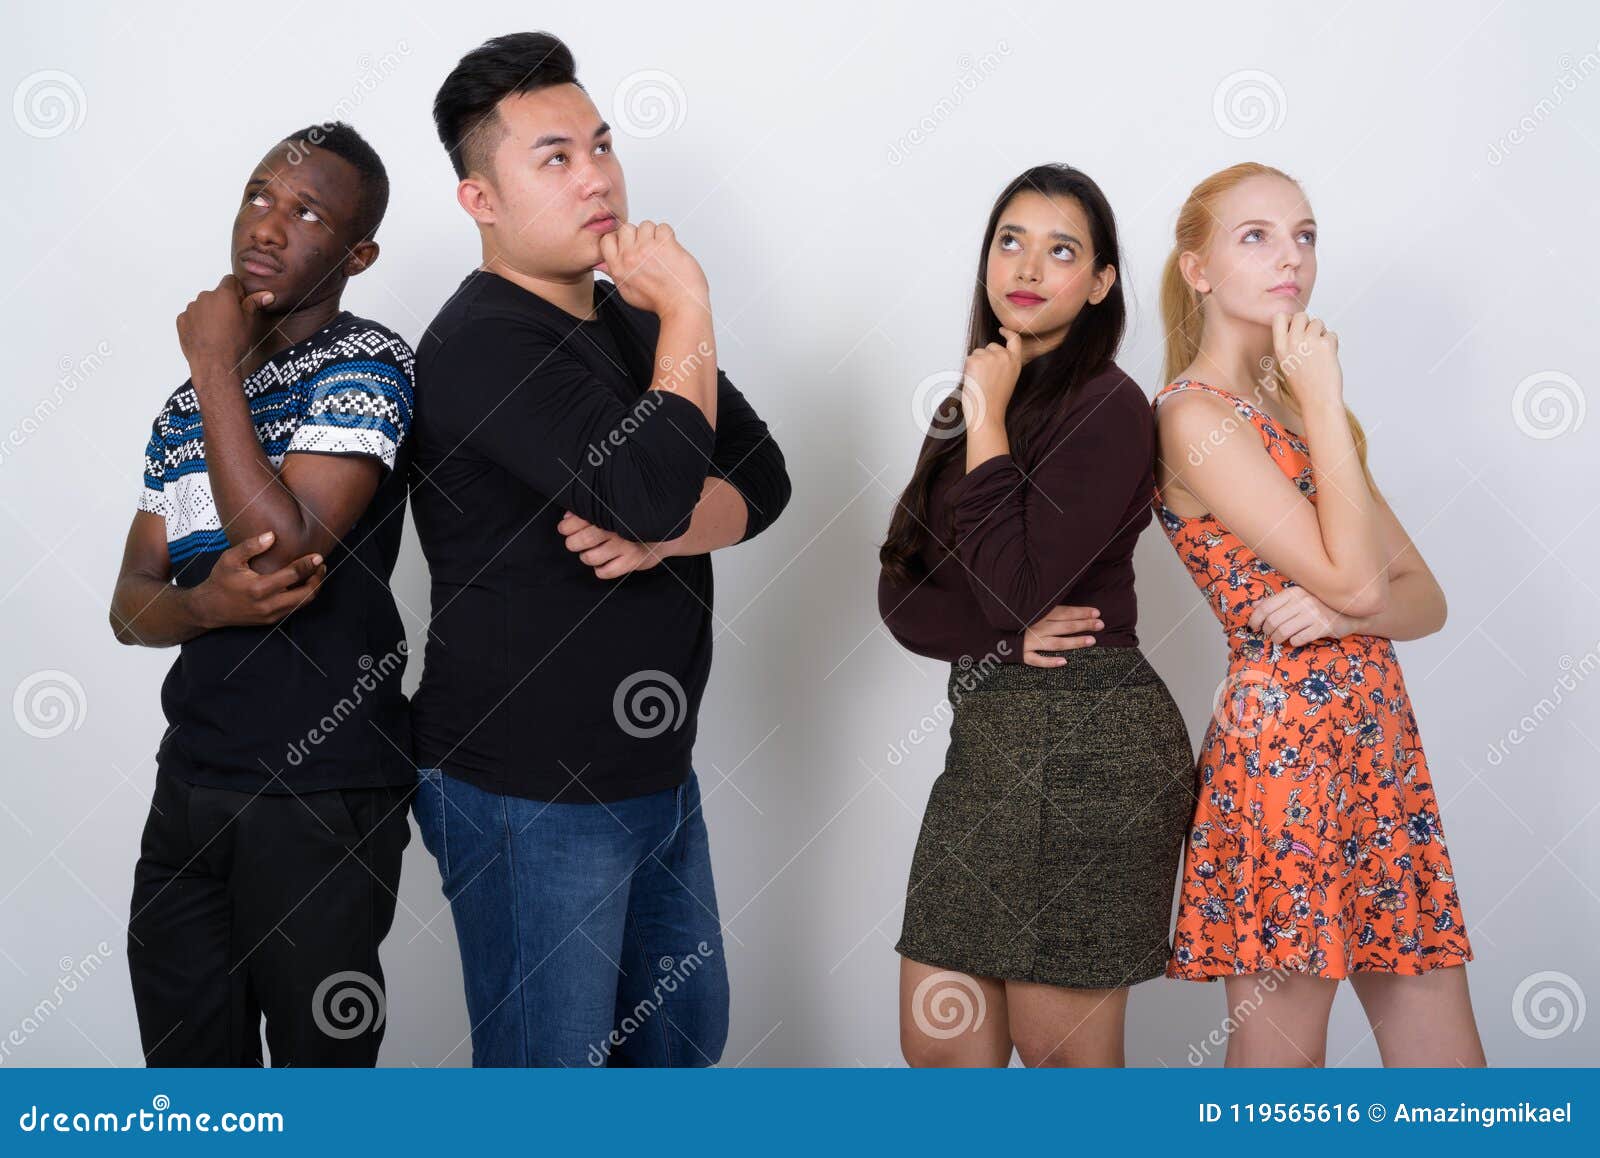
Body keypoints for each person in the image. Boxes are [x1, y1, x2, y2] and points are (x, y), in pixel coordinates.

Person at [409, 31, 791, 1067]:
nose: (598, 178)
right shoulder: (483, 340)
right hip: (527, 790)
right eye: (555, 157)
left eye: (602, 145)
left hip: (653, 773)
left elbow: (764, 477)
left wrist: (667, 536)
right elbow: (657, 483)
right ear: (480, 201)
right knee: (554, 1083)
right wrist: (694, 307)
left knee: (676, 1049)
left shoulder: (631, 322)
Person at [1151, 161, 1484, 1066]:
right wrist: (1327, 393)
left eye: (1304, 234)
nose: (1290, 255)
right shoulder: (1193, 418)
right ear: (1198, 269)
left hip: (1379, 747)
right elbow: (1370, 581)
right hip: (1282, 753)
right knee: (1282, 1086)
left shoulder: (1296, 413)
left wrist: (1342, 618)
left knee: (1446, 1074)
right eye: (1255, 235)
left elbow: (1425, 597)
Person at [111, 122, 416, 1066]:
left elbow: (283, 546)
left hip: (320, 792)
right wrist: (202, 608)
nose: (268, 229)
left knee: (319, 1091)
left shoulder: (369, 365)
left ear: (358, 253)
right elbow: (130, 603)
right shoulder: (186, 409)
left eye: (308, 212)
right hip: (191, 783)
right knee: (189, 1081)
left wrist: (212, 367)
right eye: (258, 197)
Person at [878, 164, 1194, 1067]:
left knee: (1065, 1072)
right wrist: (1004, 636)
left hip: (1093, 744)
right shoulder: (975, 397)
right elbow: (902, 591)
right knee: (938, 1049)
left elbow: (1011, 583)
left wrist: (986, 416)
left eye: (1063, 251)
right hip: (988, 745)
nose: (1028, 265)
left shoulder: (1109, 409)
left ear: (1099, 286)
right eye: (1010, 240)